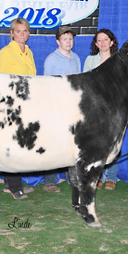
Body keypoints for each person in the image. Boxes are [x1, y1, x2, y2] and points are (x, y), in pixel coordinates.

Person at [0, 17, 36, 199]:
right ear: (11, 33)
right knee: (13, 145)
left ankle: (9, 182)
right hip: (12, 104)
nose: (22, 34)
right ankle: (14, 186)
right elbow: (4, 81)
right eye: (18, 31)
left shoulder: (29, 52)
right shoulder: (5, 53)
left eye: (25, 31)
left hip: (27, 103)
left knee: (21, 144)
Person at [41, 25, 82, 193]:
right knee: (53, 144)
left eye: (71, 39)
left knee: (72, 144)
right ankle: (49, 181)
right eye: (65, 39)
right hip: (56, 107)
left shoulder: (76, 58)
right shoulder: (51, 59)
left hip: (72, 107)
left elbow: (79, 82)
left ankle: (72, 177)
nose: (68, 42)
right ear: (58, 41)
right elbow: (46, 84)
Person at [83, 29, 121, 190]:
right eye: (99, 40)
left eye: (106, 39)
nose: (103, 43)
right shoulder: (90, 60)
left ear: (112, 42)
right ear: (96, 44)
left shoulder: (119, 61)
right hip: (95, 107)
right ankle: (97, 176)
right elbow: (84, 83)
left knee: (113, 142)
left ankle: (112, 177)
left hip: (114, 107)